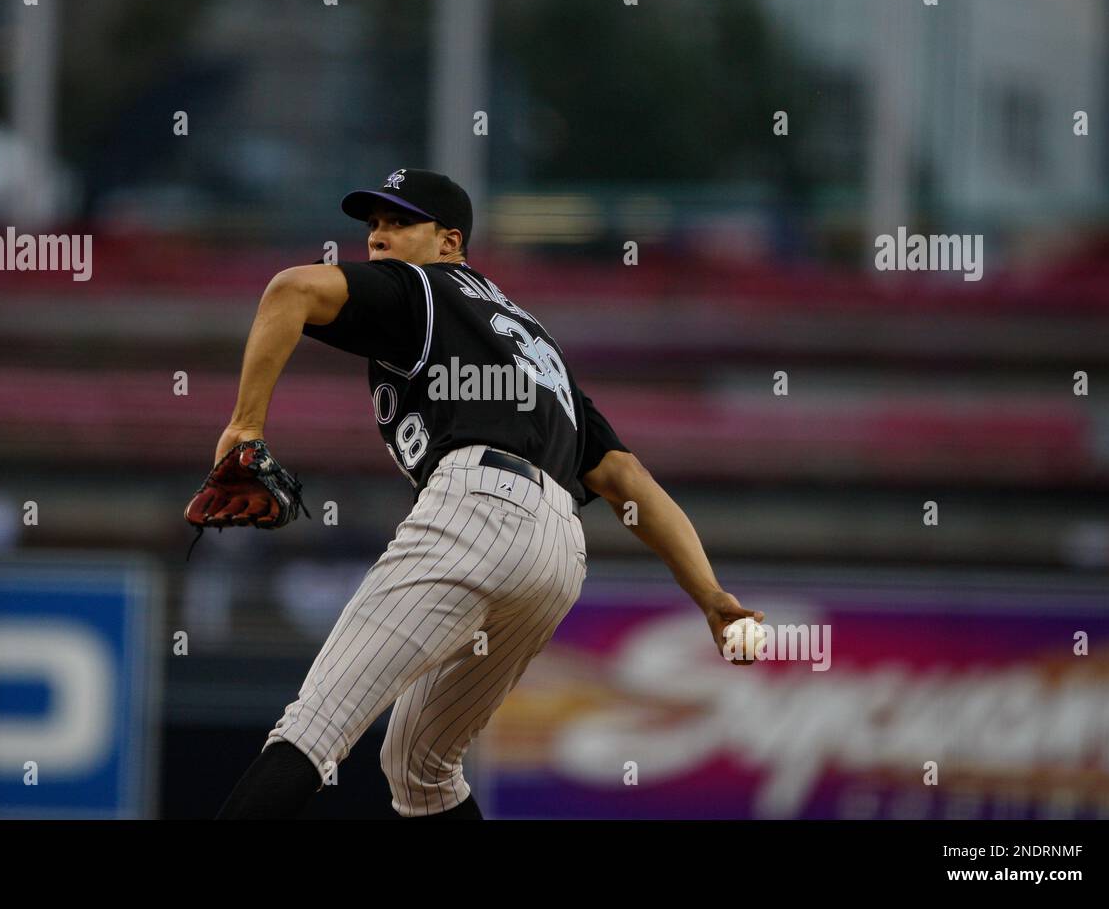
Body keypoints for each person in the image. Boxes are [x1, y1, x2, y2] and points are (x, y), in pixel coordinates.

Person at [214, 168, 762, 819]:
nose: (379, 238)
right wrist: (712, 596)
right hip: (556, 554)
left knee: (314, 726)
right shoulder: (535, 347)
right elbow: (627, 482)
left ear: (449, 243)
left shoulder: (421, 288)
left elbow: (290, 289)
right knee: (422, 768)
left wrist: (244, 427)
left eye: (399, 223)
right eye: (373, 226)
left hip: (476, 509)